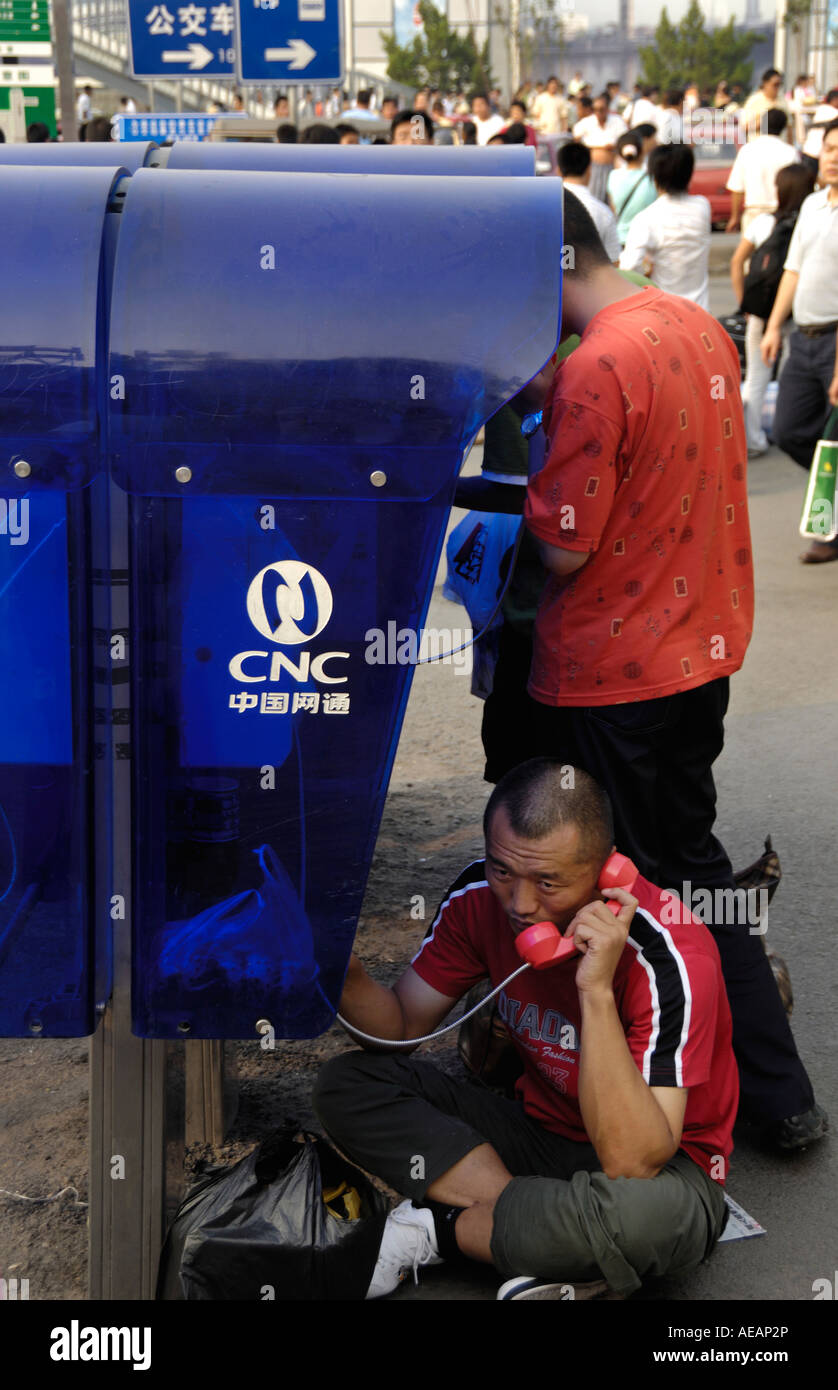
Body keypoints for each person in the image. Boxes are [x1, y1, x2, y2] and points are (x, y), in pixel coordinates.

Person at [499, 190, 827, 1149]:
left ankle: (675, 1107)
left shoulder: (598, 362)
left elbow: (563, 546)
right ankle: (777, 1093)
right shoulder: (688, 324)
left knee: (634, 896)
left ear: (550, 264)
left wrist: (500, 517)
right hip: (698, 652)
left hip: (615, 670)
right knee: (693, 870)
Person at [315, 761, 737, 1300]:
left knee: (651, 1222)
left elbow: (633, 1160)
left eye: (548, 883)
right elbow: (398, 1030)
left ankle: (443, 1230)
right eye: (502, 871)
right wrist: (345, 974)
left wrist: (596, 991)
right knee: (347, 1084)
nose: (520, 905)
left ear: (609, 872)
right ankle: (545, 1242)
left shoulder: (670, 955)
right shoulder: (477, 899)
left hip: (661, 1173)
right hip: (538, 1135)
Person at [761, 118, 838, 563]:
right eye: (829, 148)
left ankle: (829, 533)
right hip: (803, 339)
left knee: (833, 440)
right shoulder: (810, 205)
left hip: (835, 340)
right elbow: (793, 269)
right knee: (789, 430)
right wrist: (774, 326)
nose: (834, 157)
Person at [730, 162, 817, 455]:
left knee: (757, 376)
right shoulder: (811, 223)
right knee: (797, 375)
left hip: (762, 314)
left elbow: (736, 262)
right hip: (799, 315)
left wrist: (747, 304)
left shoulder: (763, 223)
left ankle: (753, 440)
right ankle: (800, 429)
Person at [620, 143, 711, 308]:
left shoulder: (647, 218)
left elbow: (629, 267)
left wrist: (647, 268)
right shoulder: (703, 207)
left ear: (654, 178)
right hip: (700, 309)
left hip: (665, 309)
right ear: (689, 174)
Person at [725, 108, 799, 235]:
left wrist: (734, 217)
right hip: (781, 214)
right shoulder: (790, 153)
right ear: (783, 128)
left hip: (754, 213)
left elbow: (737, 188)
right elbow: (797, 186)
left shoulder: (747, 150)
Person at [557, 142, 621, 263]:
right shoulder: (603, 212)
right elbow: (614, 262)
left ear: (558, 171)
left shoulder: (543, 208)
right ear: (589, 170)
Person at [606, 129, 657, 247]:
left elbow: (613, 209)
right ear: (641, 150)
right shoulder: (652, 178)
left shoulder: (613, 176)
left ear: (620, 154)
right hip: (646, 240)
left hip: (621, 240)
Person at [573, 91, 626, 202]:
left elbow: (624, 140)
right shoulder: (587, 122)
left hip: (613, 167)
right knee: (594, 199)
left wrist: (613, 147)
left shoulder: (617, 121)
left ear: (607, 109)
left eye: (602, 109)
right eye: (596, 109)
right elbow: (575, 137)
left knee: (611, 199)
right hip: (593, 167)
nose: (599, 113)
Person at [739, 68, 791, 143]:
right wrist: (764, 122)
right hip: (759, 147)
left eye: (780, 85)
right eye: (775, 85)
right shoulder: (754, 101)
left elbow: (789, 127)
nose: (777, 88)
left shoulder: (783, 102)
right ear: (765, 84)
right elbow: (744, 127)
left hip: (779, 148)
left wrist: (790, 146)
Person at [801, 87, 838, 174]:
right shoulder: (829, 110)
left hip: (809, 152)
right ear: (834, 100)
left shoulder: (821, 109)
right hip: (814, 154)